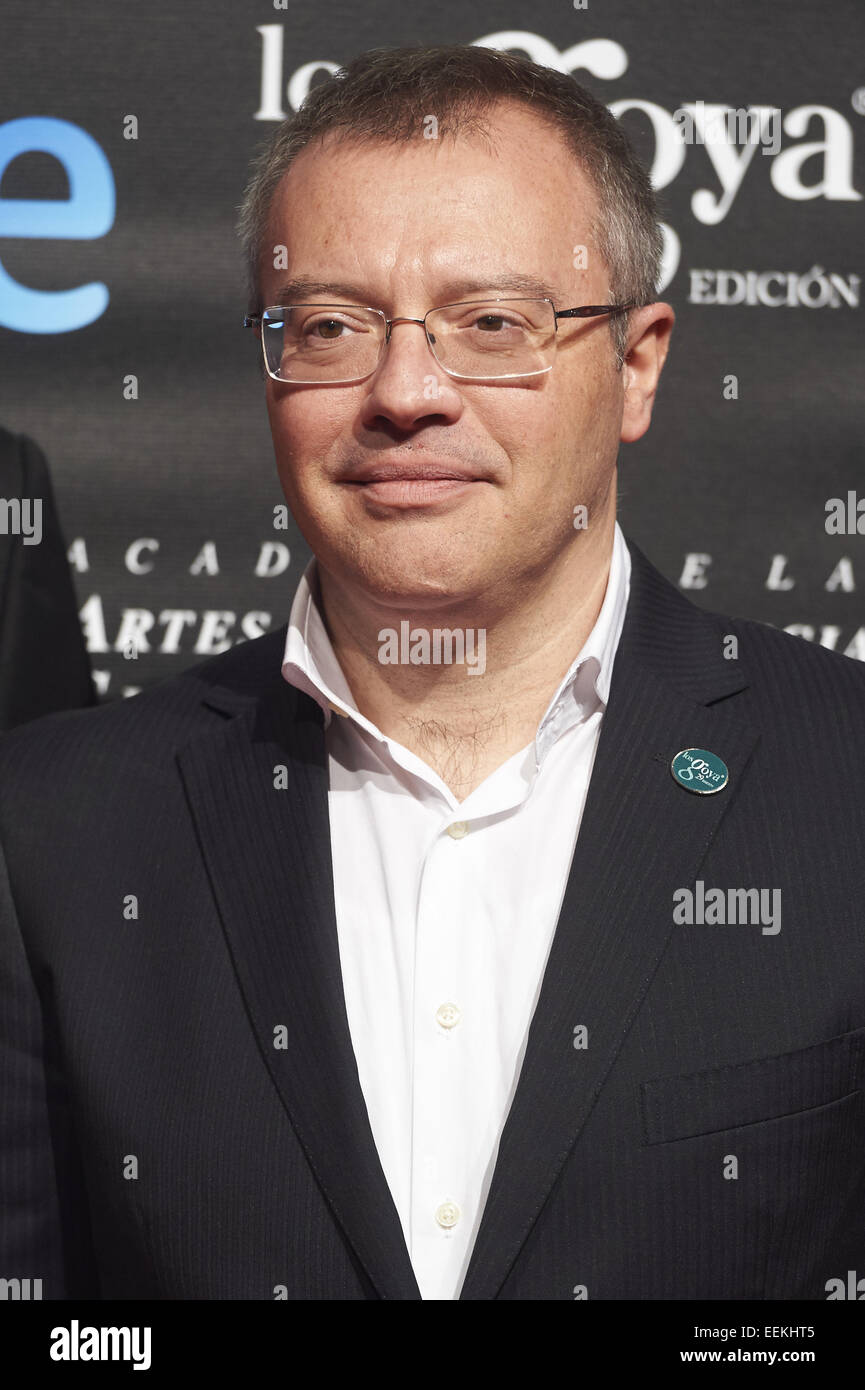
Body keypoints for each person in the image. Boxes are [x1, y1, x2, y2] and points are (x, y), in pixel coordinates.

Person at [1, 43, 863, 1303]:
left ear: (637, 364)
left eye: (493, 324)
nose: (406, 392)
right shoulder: (52, 825)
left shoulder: (841, 780)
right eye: (333, 326)